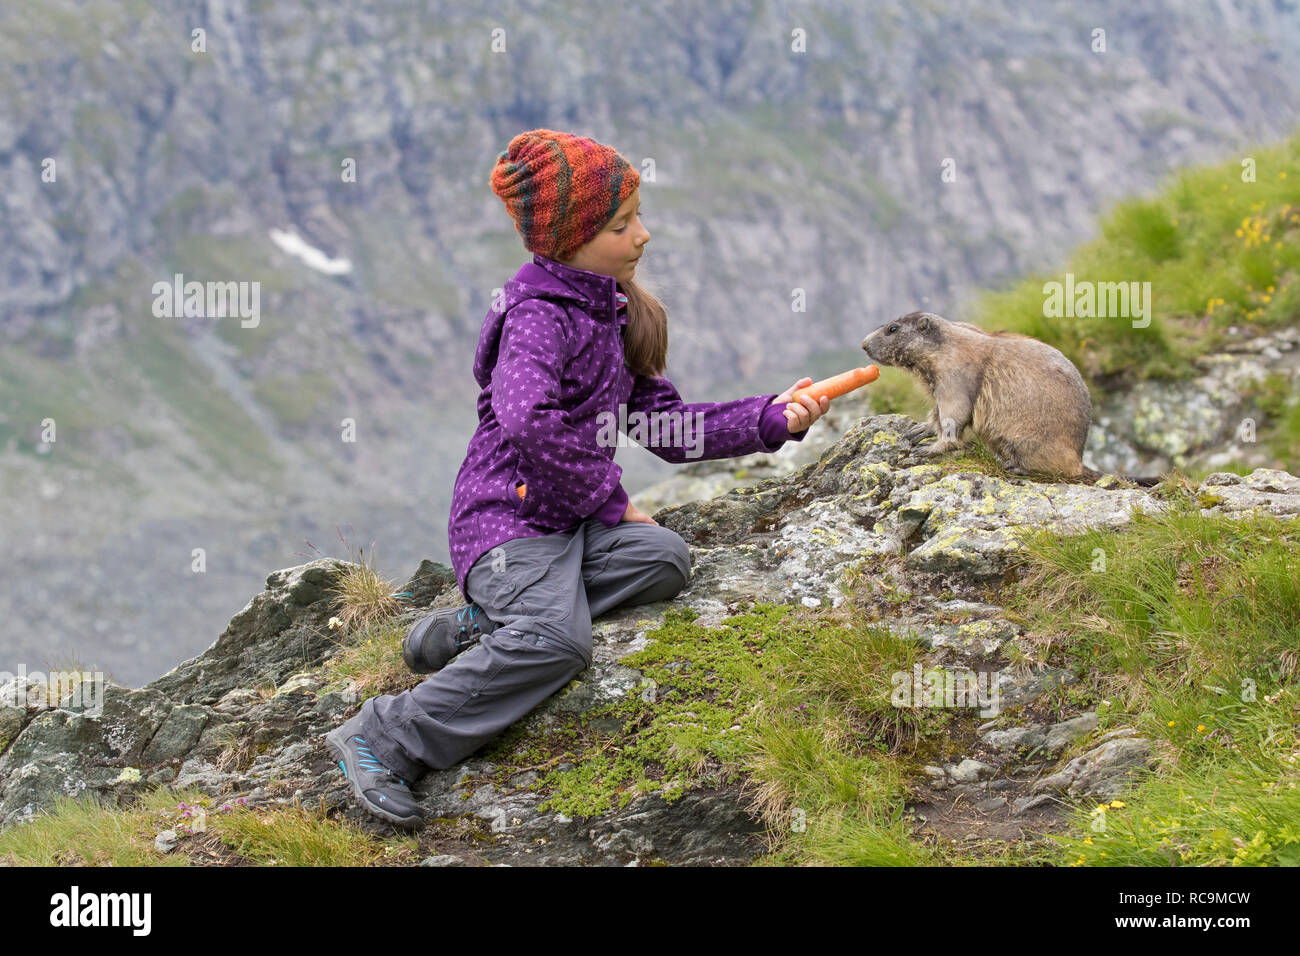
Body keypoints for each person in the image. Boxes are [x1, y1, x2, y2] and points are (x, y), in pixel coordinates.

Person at [326, 128, 831, 827]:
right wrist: (609, 501)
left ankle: (481, 629)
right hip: (508, 522)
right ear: (570, 240)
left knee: (664, 560)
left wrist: (774, 419)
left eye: (639, 217)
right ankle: (386, 735)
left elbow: (666, 426)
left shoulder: (612, 312)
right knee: (559, 643)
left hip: (564, 528)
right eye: (623, 225)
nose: (643, 236)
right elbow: (527, 421)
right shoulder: (538, 318)